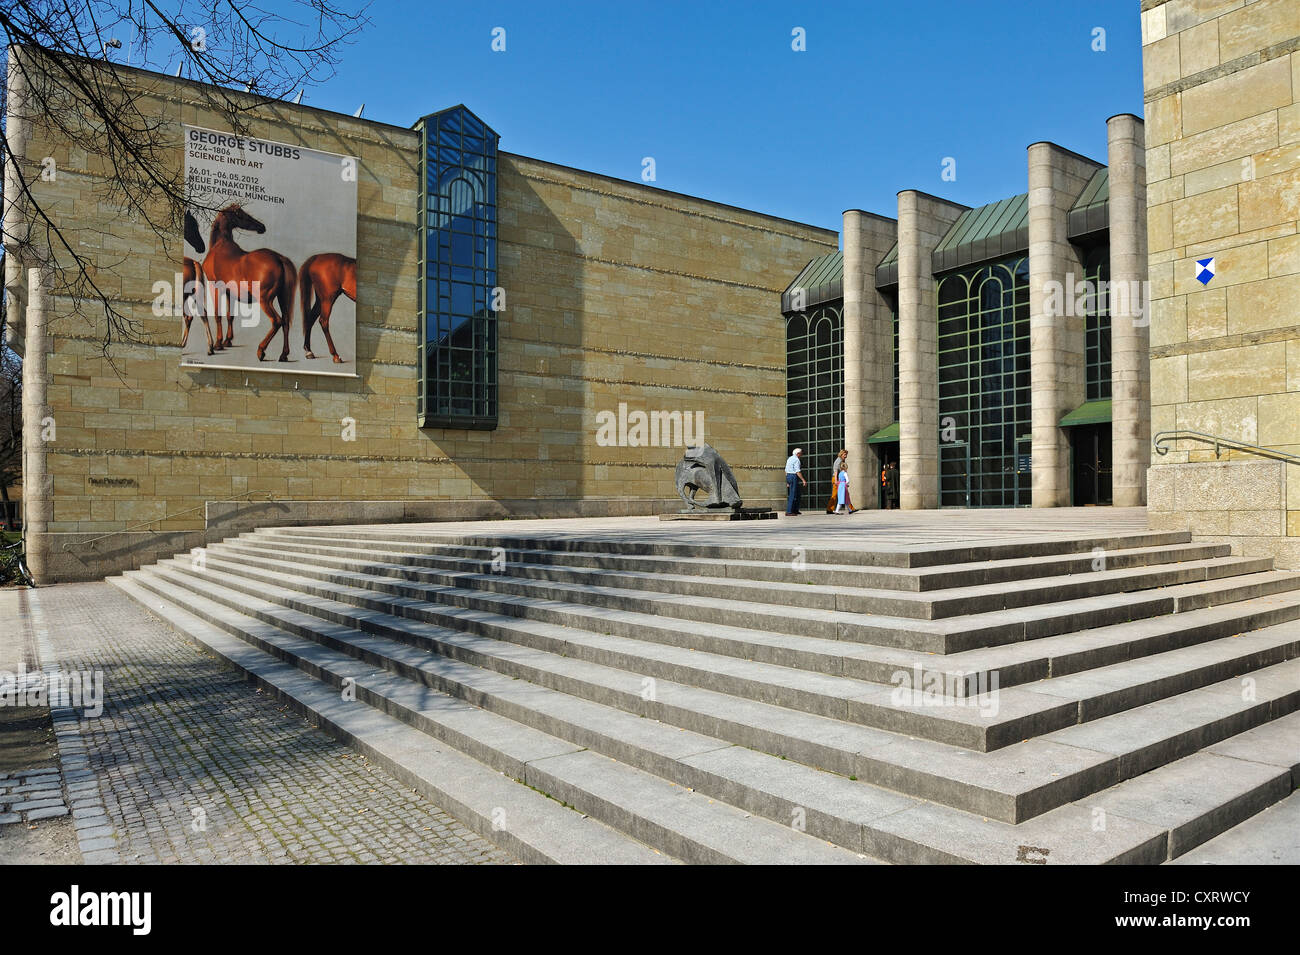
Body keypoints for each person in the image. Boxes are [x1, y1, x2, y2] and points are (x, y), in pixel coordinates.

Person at [827, 449, 857, 514]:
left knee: (845, 494)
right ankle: (829, 509)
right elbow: (835, 471)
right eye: (845, 454)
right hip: (837, 479)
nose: (846, 456)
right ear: (841, 454)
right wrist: (836, 480)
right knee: (835, 495)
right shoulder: (838, 460)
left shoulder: (841, 460)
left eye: (846, 455)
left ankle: (851, 509)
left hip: (839, 480)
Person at [784, 448, 806, 515]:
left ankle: (795, 509)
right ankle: (789, 511)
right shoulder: (796, 460)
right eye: (801, 453)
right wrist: (803, 480)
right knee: (793, 494)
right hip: (793, 476)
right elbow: (797, 471)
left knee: (797, 494)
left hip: (789, 476)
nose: (802, 455)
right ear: (798, 453)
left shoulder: (789, 458)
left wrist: (787, 481)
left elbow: (786, 470)